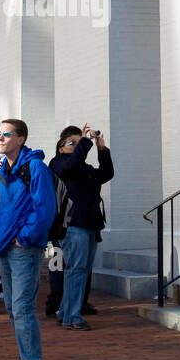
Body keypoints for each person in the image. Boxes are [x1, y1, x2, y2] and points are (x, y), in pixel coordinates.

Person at [0, 119, 57, 360]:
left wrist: (24, 237)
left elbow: (45, 208)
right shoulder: (3, 169)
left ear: (21, 139)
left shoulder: (35, 167)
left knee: (22, 307)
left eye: (6, 134)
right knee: (12, 308)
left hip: (23, 248)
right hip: (7, 247)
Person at [49, 126, 113, 330]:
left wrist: (102, 149)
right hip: (72, 223)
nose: (78, 146)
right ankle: (72, 317)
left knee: (81, 271)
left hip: (90, 222)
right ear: (61, 147)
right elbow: (70, 167)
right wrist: (84, 142)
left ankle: (66, 312)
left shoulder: (84, 168)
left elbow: (106, 174)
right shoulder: (58, 163)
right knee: (76, 270)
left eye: (80, 143)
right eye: (73, 143)